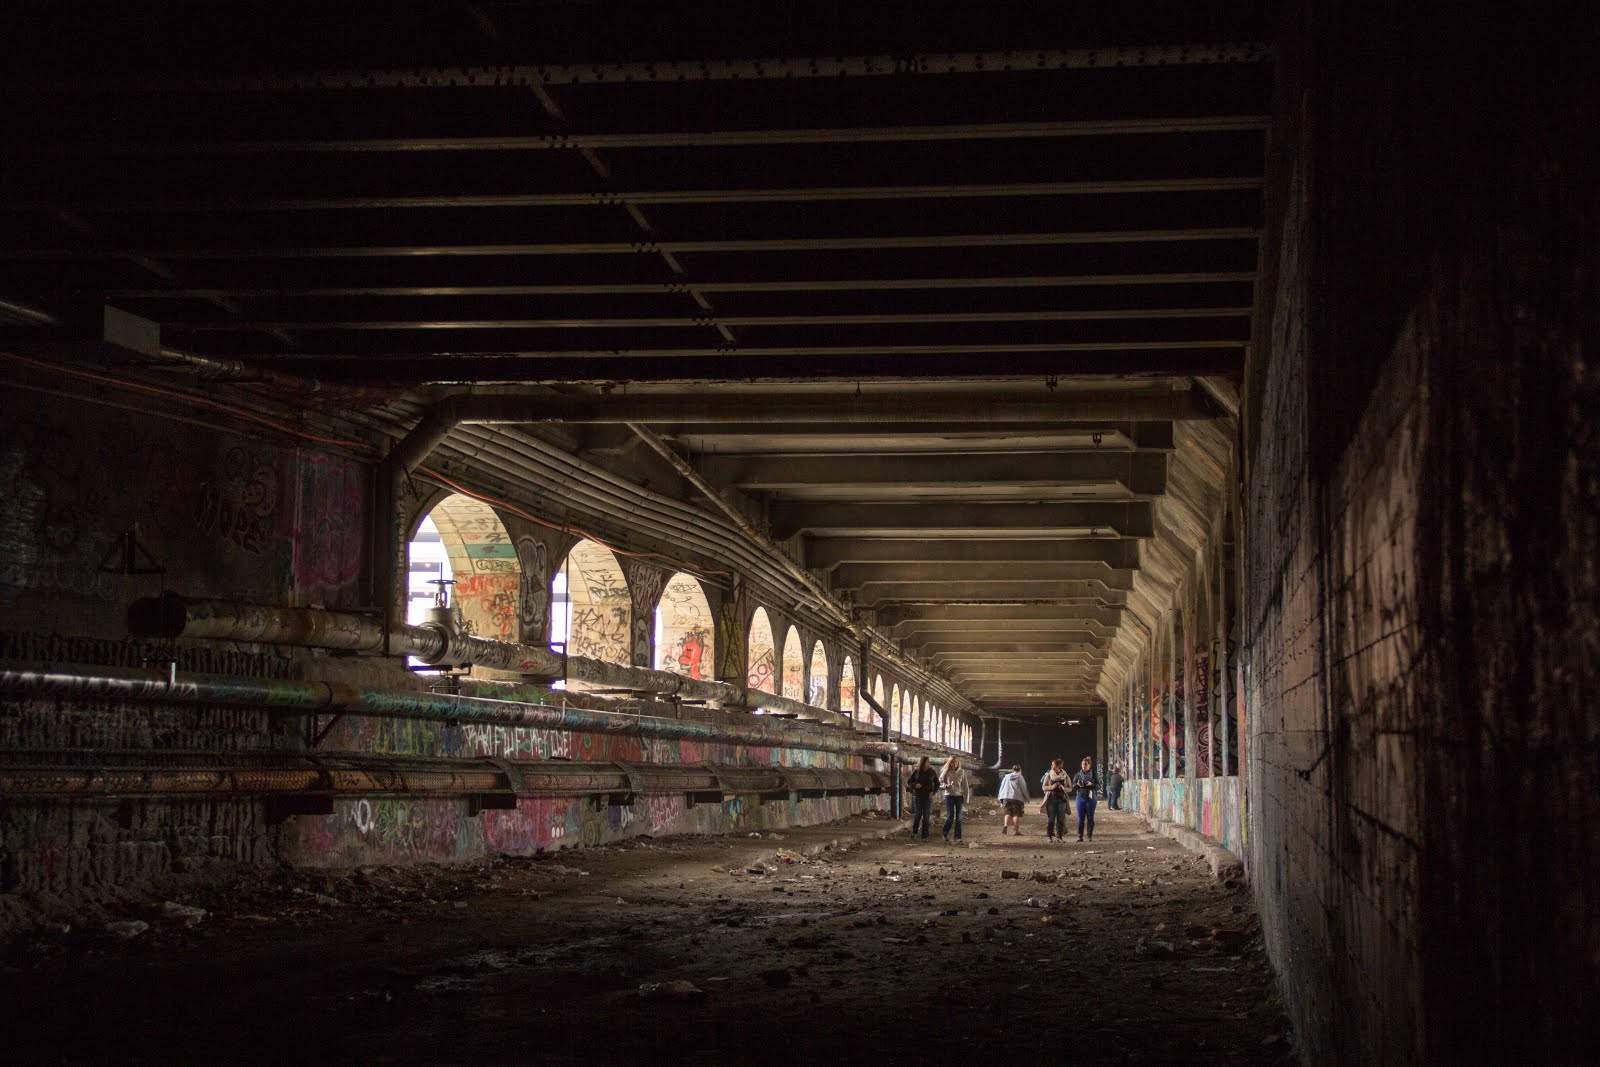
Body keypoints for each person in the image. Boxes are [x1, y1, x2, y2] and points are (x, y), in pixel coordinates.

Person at [939, 756, 971, 842]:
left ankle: (958, 837)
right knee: (950, 816)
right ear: (950, 763)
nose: (954, 763)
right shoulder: (946, 772)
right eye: (953, 762)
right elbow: (940, 783)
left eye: (956, 762)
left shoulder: (961, 772)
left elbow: (965, 785)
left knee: (959, 817)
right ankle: (944, 833)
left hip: (959, 796)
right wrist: (946, 786)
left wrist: (966, 798)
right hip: (949, 796)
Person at [1039, 757, 1072, 842]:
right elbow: (1043, 787)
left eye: (1053, 764)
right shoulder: (1049, 775)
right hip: (1051, 799)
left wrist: (1064, 788)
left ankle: (1059, 837)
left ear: (1058, 766)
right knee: (1051, 819)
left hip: (1062, 800)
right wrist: (1051, 787)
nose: (1051, 765)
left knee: (1061, 819)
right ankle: (1049, 837)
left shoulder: (1065, 775)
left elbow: (1070, 788)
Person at [907, 756, 939, 840]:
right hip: (918, 796)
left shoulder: (932, 772)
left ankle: (925, 835)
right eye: (928, 761)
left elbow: (937, 783)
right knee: (918, 815)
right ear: (923, 762)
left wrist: (934, 791)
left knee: (926, 815)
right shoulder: (917, 772)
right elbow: (909, 781)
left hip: (928, 796)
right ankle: (914, 833)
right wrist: (915, 786)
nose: (929, 763)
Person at [997, 764, 1030, 835]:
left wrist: (1000, 797)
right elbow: (1024, 788)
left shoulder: (1006, 777)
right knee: (1016, 814)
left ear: (1012, 770)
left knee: (1008, 813)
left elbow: (1002, 787)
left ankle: (1005, 826)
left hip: (1006, 797)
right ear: (1020, 770)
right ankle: (1016, 831)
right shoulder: (1020, 777)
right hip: (1017, 798)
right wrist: (1027, 798)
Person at [1072, 757, 1100, 841]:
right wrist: (1077, 785)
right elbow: (1072, 787)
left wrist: (1092, 784)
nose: (1084, 766)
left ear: (1089, 765)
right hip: (1080, 798)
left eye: (1086, 764)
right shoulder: (1078, 775)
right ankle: (1080, 836)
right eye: (1083, 764)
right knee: (1081, 818)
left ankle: (1089, 836)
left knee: (1090, 818)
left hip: (1091, 799)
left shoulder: (1094, 774)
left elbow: (1098, 786)